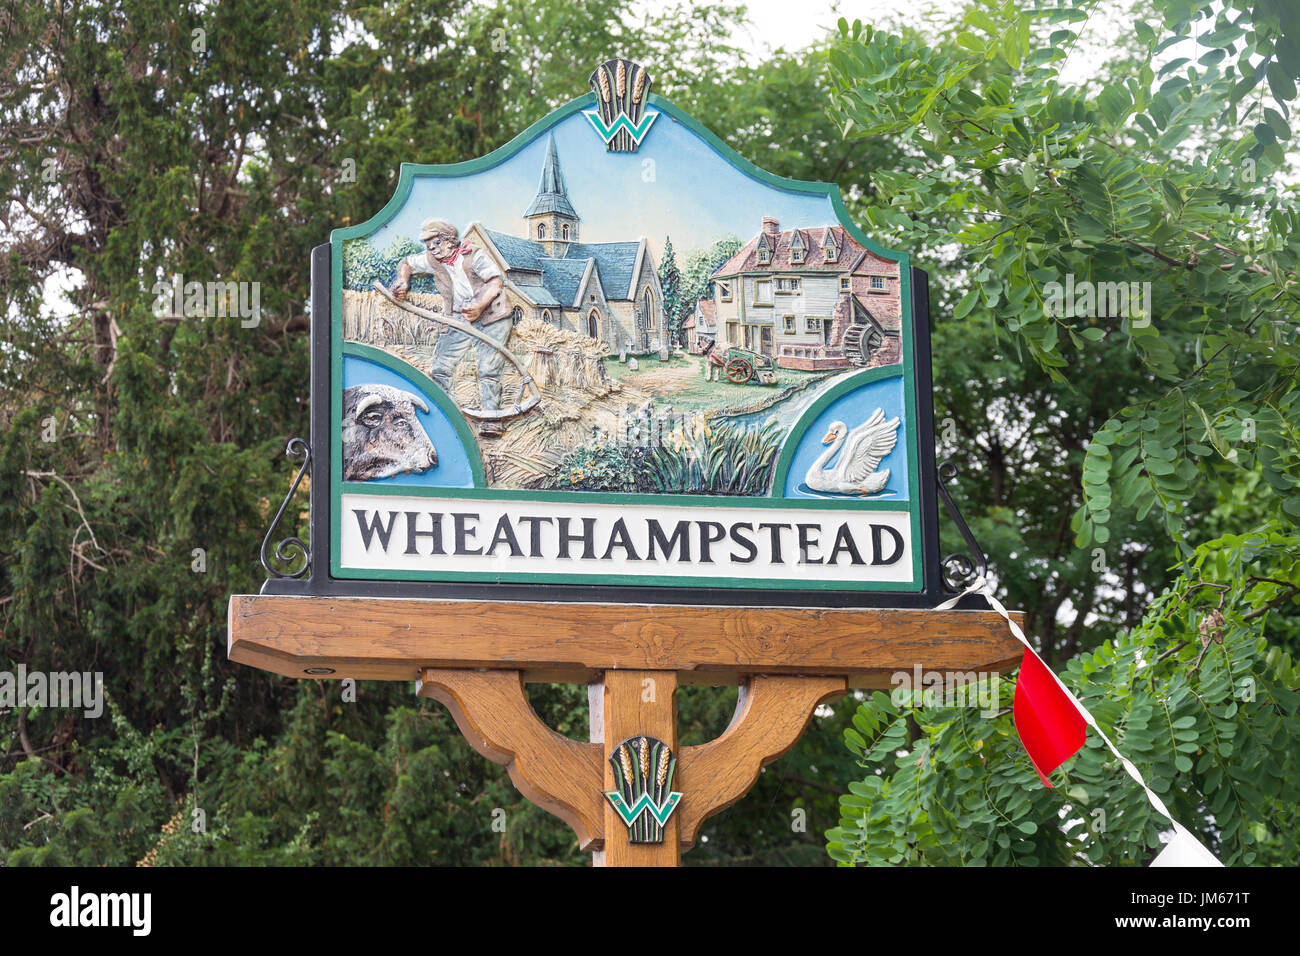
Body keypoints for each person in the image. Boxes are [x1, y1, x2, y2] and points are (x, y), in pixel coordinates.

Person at [391, 218, 513, 434]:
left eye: (435, 242)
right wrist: (403, 280)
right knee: (441, 366)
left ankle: (492, 419)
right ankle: (446, 414)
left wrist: (479, 304)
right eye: (427, 243)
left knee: (488, 368)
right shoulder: (433, 260)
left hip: (491, 314)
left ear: (449, 241)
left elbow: (495, 282)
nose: (431, 248)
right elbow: (407, 263)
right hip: (459, 317)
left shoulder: (473, 255)